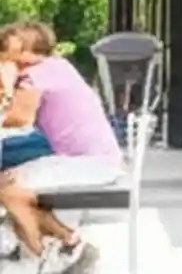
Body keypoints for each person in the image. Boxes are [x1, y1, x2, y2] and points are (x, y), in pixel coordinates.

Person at [0, 22, 122, 274]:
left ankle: (65, 246)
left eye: (7, 47)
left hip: (89, 164)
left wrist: (9, 86)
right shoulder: (58, 67)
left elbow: (20, 117)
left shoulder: (38, 74)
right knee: (8, 183)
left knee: (7, 188)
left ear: (27, 50)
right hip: (90, 160)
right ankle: (57, 247)